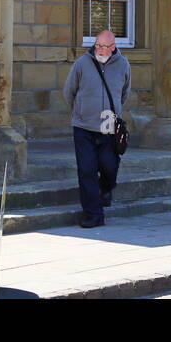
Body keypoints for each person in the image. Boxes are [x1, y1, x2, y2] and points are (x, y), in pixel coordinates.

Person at [63, 29, 130, 228]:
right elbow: (69, 92)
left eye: (104, 46)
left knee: (110, 167)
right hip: (83, 126)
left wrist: (113, 110)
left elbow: (124, 93)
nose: (100, 50)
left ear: (113, 47)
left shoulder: (123, 65)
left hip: (109, 126)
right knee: (87, 170)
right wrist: (81, 111)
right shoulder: (81, 63)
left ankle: (105, 190)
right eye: (97, 45)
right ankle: (93, 214)